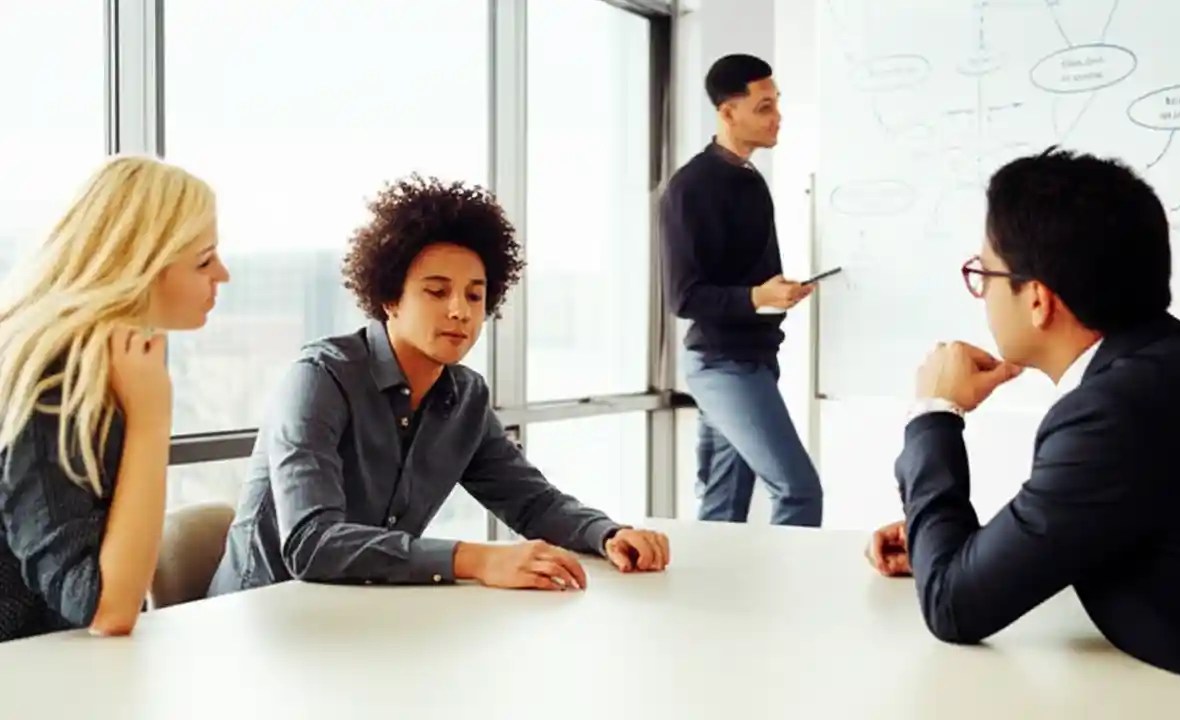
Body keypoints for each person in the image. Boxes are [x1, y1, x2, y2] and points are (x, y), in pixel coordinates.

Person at [865, 147, 1180, 698]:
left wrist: (934, 412)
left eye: (983, 274)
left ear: (1038, 300)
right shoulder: (1167, 358)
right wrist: (946, 544)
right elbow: (1077, 526)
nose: (982, 295)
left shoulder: (1115, 411)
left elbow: (953, 604)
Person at [208, 175, 669, 597]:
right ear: (390, 299)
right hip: (258, 620)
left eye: (474, 294)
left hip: (362, 614)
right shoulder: (321, 378)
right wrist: (477, 559)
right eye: (437, 291)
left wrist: (607, 534)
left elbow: (531, 501)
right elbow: (312, 544)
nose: (460, 311)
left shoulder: (465, 398)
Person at [0, 156, 230, 641]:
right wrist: (151, 419)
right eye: (204, 260)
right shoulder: (51, 383)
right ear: (140, 267)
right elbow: (106, 608)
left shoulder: (102, 370)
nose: (222, 275)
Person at [659, 53, 822, 527]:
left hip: (754, 358)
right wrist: (759, 297)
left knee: (722, 508)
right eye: (764, 107)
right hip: (723, 364)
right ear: (728, 112)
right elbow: (683, 297)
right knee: (798, 492)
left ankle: (708, 581)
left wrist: (774, 294)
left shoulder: (749, 179)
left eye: (777, 104)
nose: (777, 117)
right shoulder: (690, 188)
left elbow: (744, 278)